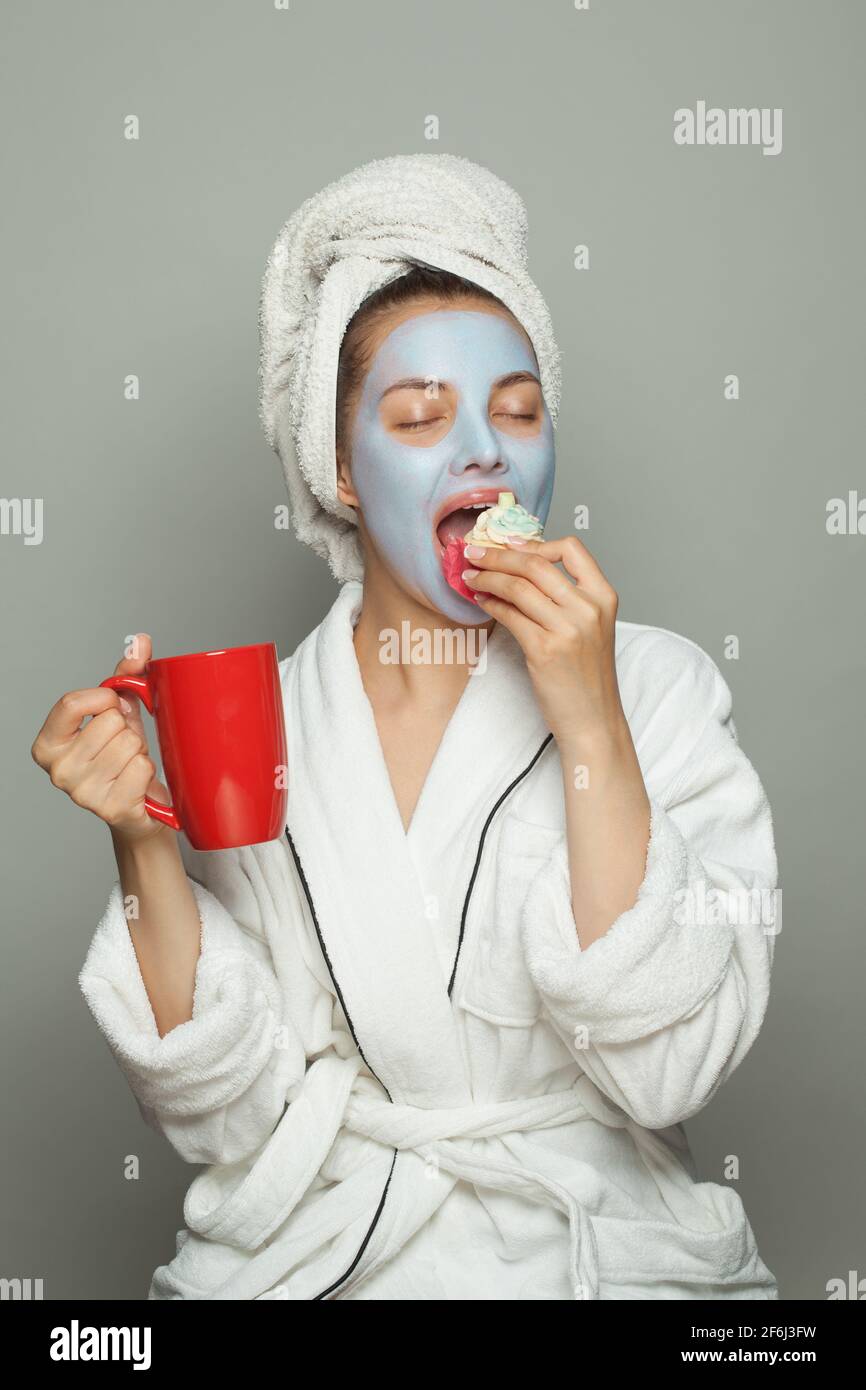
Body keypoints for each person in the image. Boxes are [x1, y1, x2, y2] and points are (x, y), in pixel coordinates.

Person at [31, 154, 779, 1300]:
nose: (484, 447)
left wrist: (590, 722)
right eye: (418, 416)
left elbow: (667, 1069)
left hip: (592, 1255)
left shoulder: (657, 686)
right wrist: (141, 837)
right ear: (337, 468)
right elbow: (226, 1115)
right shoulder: (263, 721)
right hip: (337, 1251)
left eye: (518, 410)